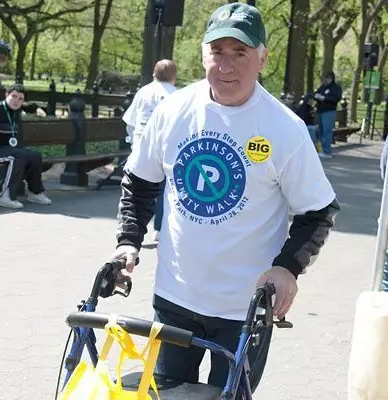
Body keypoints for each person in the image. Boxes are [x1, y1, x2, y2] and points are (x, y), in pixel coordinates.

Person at [111, 2, 340, 394]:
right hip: (175, 297)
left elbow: (318, 211)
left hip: (245, 310)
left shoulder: (284, 129)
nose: (226, 65)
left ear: (262, 58)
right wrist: (128, 241)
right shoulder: (173, 111)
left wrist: (287, 268)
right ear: (203, 54)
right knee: (165, 394)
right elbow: (139, 181)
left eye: (240, 53)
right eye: (217, 52)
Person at [122, 59, 177, 241]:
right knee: (162, 191)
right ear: (173, 76)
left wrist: (132, 141)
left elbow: (130, 120)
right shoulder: (177, 95)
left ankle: (131, 231)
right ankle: (159, 228)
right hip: (165, 149)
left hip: (140, 148)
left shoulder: (144, 92)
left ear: (154, 73)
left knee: (135, 191)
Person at [0, 83, 52, 209]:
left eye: (20, 99)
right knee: (17, 156)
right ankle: (6, 197)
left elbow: (16, 135)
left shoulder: (16, 112)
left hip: (8, 149)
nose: (16, 101)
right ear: (6, 95)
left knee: (34, 156)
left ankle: (35, 193)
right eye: (14, 96)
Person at [314, 71, 342, 159]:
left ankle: (327, 151)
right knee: (321, 131)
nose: (326, 80)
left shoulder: (336, 87)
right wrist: (317, 96)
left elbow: (336, 98)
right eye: (325, 78)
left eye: (328, 78)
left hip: (329, 111)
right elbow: (316, 93)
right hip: (320, 111)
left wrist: (324, 98)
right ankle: (321, 150)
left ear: (331, 78)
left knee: (327, 131)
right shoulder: (323, 87)